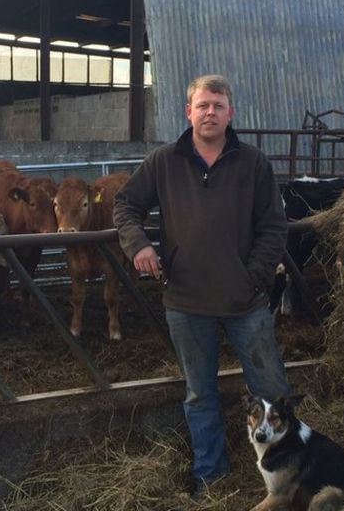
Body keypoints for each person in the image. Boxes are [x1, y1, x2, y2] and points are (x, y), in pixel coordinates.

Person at [113, 74, 291, 495]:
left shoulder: (253, 164)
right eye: (202, 105)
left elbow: (273, 226)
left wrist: (255, 276)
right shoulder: (164, 161)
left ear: (231, 113)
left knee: (271, 389)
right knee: (199, 393)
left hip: (245, 301)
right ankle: (210, 475)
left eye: (218, 105)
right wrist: (139, 244)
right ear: (188, 111)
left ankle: (286, 471)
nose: (210, 112)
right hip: (187, 301)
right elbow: (125, 204)